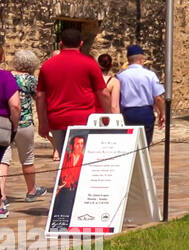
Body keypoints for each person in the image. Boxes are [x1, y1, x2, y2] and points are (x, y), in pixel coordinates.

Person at [37, 28, 109, 161]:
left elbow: (40, 96)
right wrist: (108, 115)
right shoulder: (89, 64)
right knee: (81, 160)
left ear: (61, 44)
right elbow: (103, 93)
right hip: (83, 119)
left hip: (56, 119)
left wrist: (42, 122)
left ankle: (66, 181)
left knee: (66, 160)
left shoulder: (47, 66)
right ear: (81, 44)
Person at [0, 49, 47, 207]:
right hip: (24, 123)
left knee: (4, 160)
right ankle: (31, 190)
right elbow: (38, 98)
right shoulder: (31, 80)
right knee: (27, 159)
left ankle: (3, 195)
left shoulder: (7, 76)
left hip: (5, 124)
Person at [114, 45, 165, 145]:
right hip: (145, 113)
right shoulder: (150, 75)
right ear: (141, 60)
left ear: (128, 60)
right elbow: (158, 98)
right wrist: (162, 113)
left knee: (129, 145)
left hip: (128, 113)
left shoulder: (121, 76)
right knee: (144, 145)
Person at [0, 50, 19, 218]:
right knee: (2, 160)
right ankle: (0, 202)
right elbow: (15, 105)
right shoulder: (6, 77)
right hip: (1, 127)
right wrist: (15, 125)